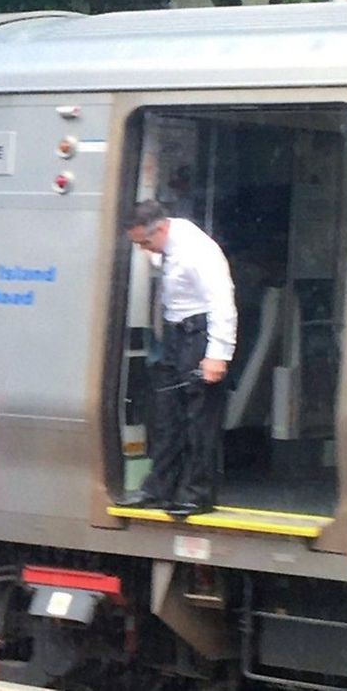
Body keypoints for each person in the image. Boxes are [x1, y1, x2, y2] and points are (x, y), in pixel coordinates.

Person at [120, 200, 237, 518]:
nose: (145, 249)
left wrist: (217, 355)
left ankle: (197, 494)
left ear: (161, 228)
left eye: (145, 242)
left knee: (199, 419)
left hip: (198, 334)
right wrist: (153, 255)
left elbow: (222, 302)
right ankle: (159, 488)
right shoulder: (167, 246)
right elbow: (165, 262)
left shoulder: (197, 250)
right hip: (175, 335)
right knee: (167, 415)